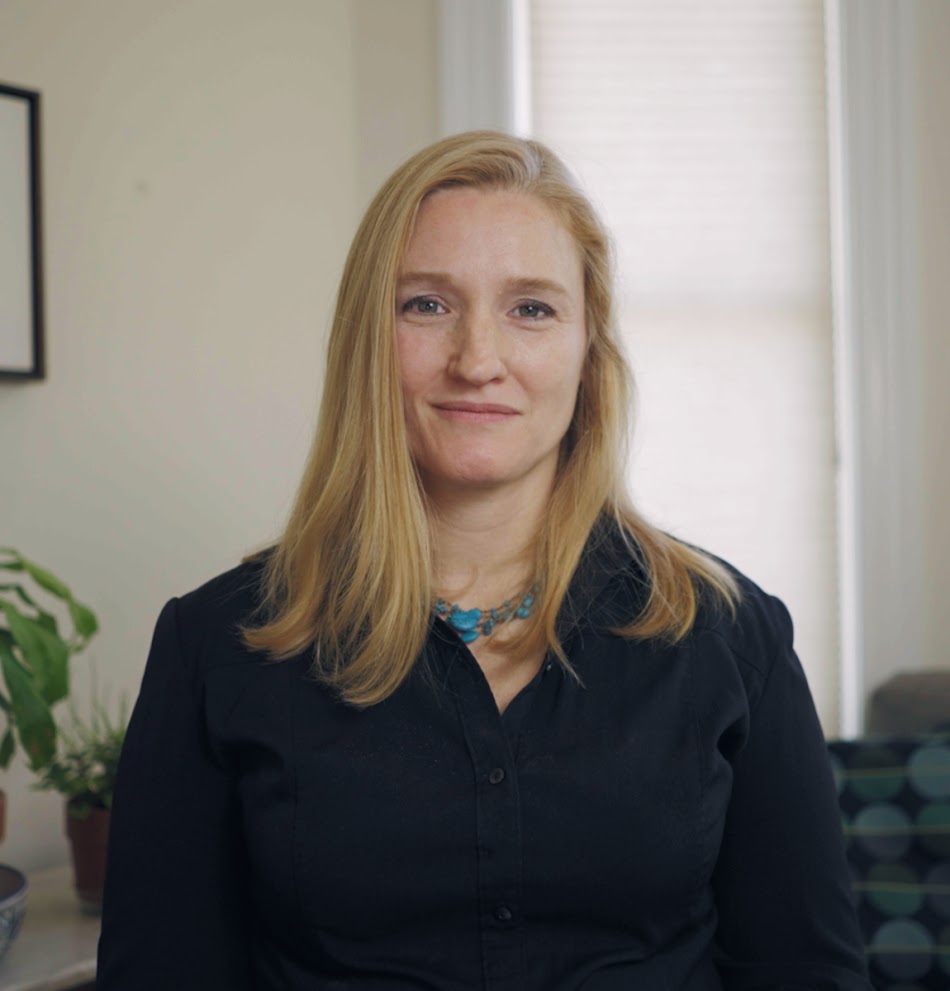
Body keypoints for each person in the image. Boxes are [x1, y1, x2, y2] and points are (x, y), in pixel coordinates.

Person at [97, 131, 871, 990]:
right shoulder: (217, 644)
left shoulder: (731, 635)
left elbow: (807, 972)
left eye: (531, 308)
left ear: (589, 351)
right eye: (426, 305)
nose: (477, 360)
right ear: (367, 340)